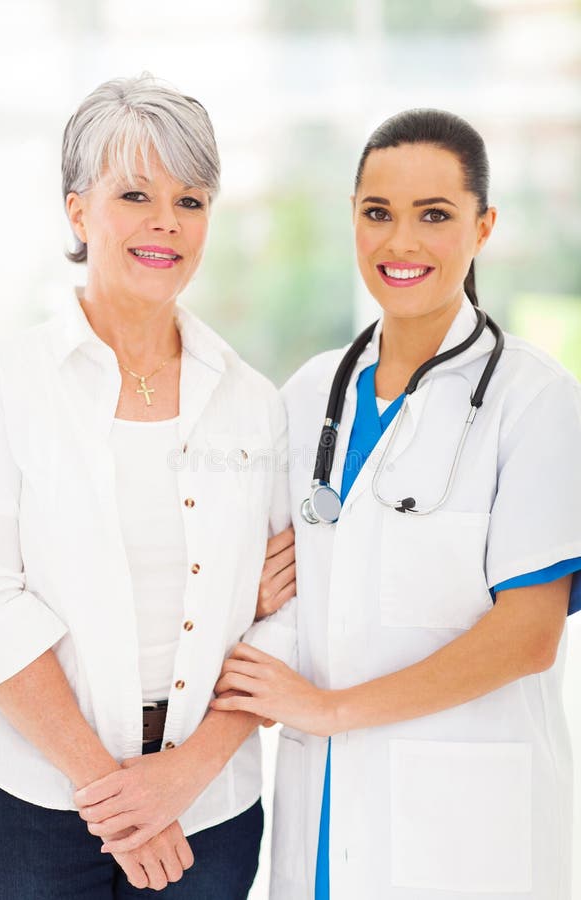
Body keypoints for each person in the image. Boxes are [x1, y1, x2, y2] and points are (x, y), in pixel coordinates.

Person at [211, 108, 581, 899]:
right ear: (353, 219)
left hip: (463, 828)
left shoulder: (535, 400)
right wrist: (253, 595)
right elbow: (275, 584)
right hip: (326, 812)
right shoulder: (310, 394)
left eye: (435, 215)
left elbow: (528, 636)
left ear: (484, 227)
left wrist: (331, 710)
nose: (401, 242)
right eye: (378, 213)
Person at [0, 74, 296, 898]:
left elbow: (285, 614)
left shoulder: (252, 400)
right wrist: (116, 796)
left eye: (190, 200)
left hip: (209, 806)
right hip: (35, 804)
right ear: (78, 211)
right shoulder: (5, 384)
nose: (167, 221)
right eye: (135, 194)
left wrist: (182, 777)